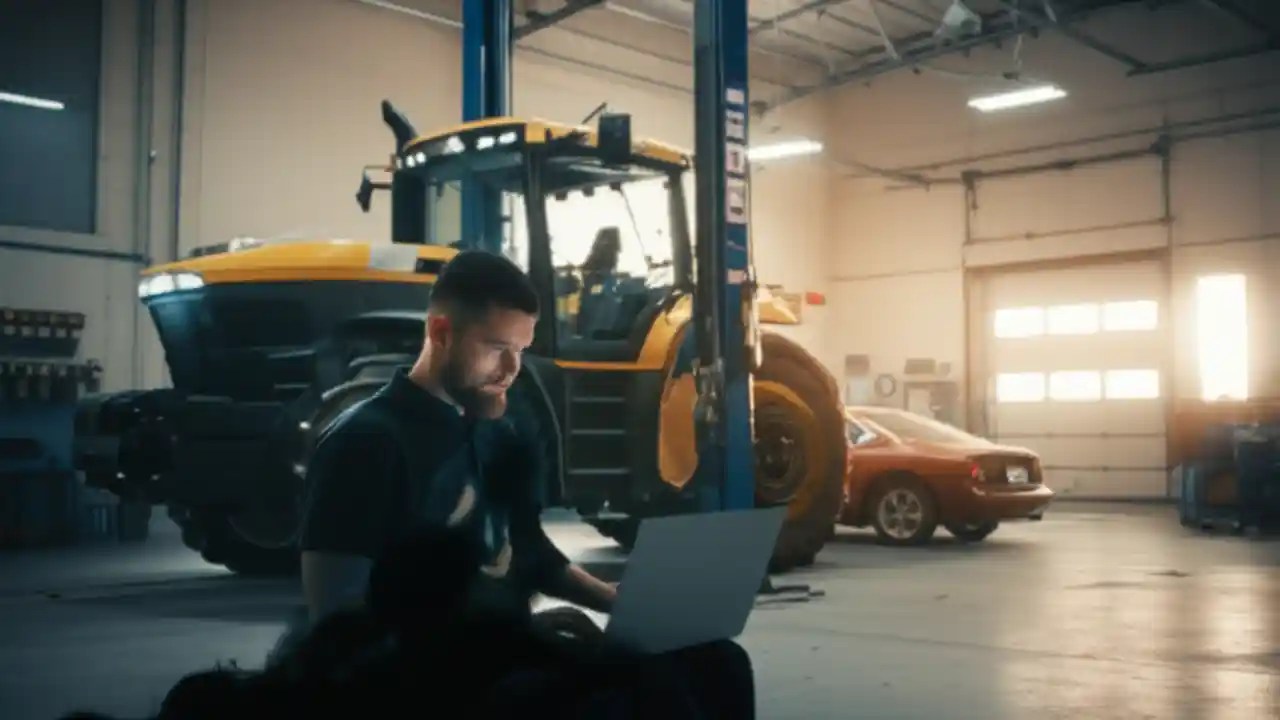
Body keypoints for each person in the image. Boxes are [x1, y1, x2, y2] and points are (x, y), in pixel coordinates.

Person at [295, 249, 756, 717]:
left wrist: (622, 604)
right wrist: (518, 642)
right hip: (441, 683)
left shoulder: (500, 429)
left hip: (513, 657)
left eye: (521, 350)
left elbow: (530, 553)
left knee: (717, 662)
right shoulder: (365, 444)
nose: (512, 370)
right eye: (497, 348)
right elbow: (337, 621)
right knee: (650, 699)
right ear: (440, 333)